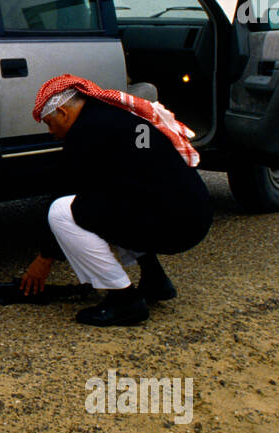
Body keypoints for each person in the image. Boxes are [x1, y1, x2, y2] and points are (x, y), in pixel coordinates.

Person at [19, 74, 212, 326]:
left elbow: (64, 192)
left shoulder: (85, 131)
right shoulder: (109, 117)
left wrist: (43, 260)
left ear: (64, 113)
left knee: (60, 212)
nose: (51, 132)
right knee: (106, 204)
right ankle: (155, 281)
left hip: (175, 223)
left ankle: (124, 300)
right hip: (193, 216)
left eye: (50, 123)